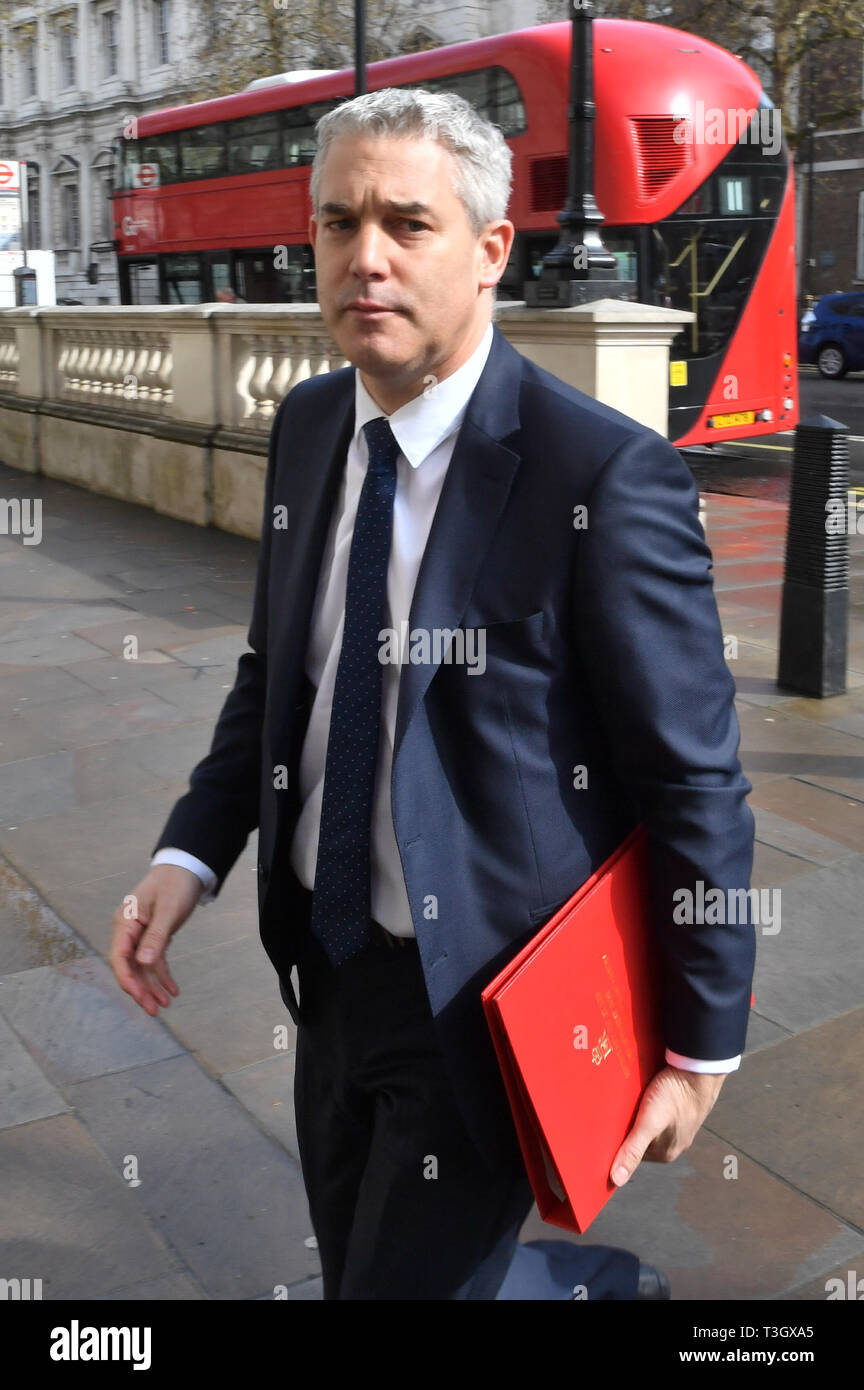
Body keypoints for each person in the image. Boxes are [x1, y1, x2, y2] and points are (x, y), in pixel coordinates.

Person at [109, 87, 756, 1301]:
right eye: (338, 222)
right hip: (323, 962)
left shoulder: (603, 476)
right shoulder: (308, 426)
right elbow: (278, 676)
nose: (367, 259)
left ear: (492, 250)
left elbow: (693, 779)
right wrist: (189, 855)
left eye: (408, 223)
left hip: (485, 1003)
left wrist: (700, 1042)